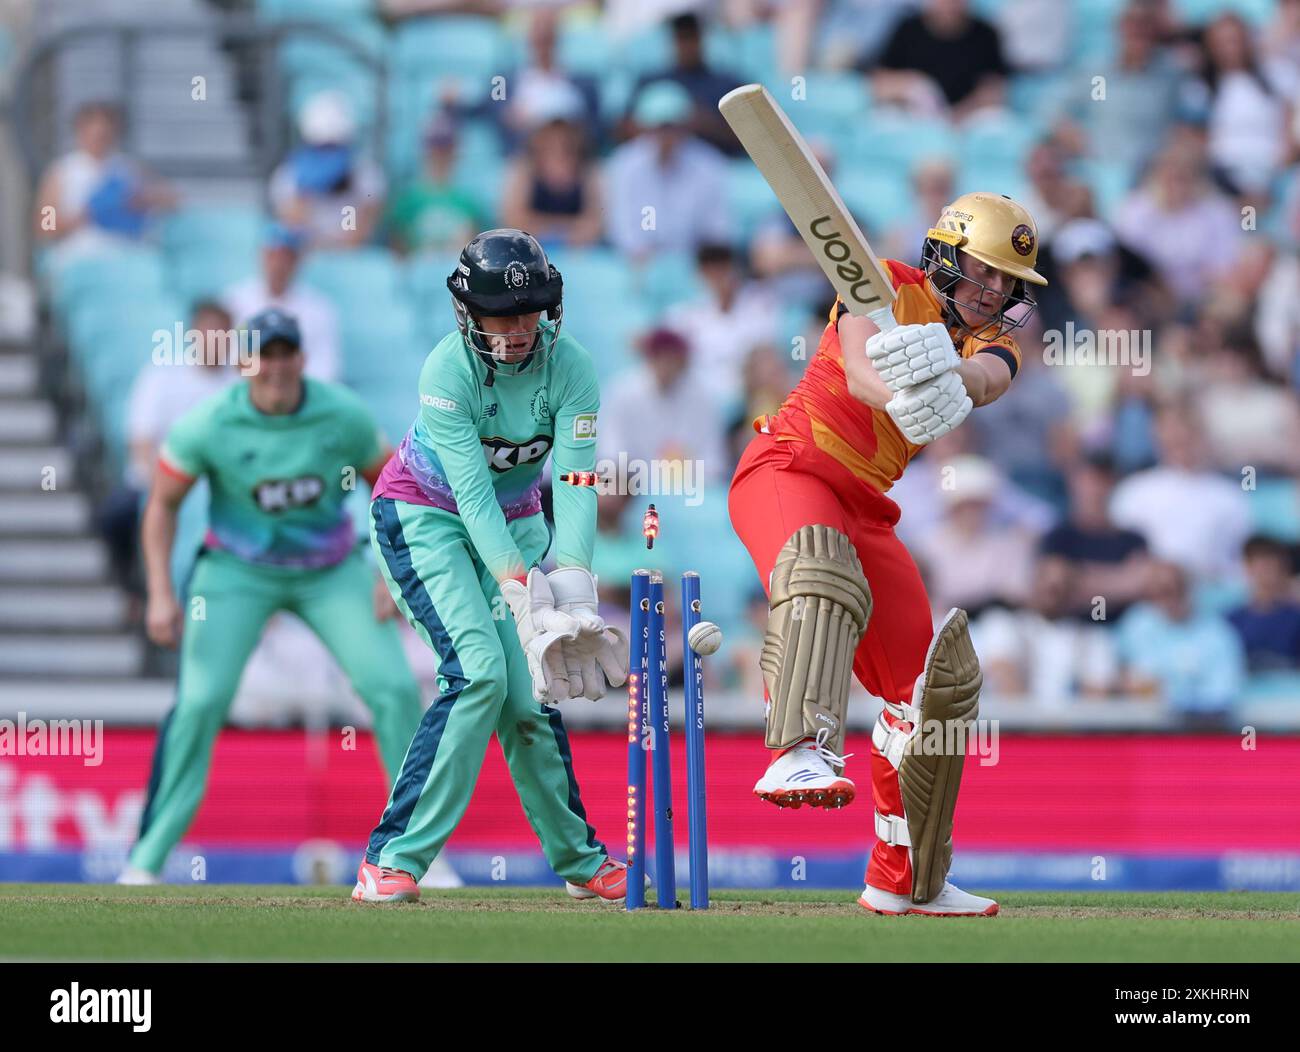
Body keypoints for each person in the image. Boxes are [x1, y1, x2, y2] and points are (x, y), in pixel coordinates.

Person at [729, 191, 1048, 916]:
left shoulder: (991, 343)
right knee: (817, 569)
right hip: (789, 468)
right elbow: (859, 366)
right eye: (982, 270)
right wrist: (902, 391)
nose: (994, 289)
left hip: (866, 505)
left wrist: (950, 379)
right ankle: (795, 750)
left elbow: (989, 379)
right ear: (946, 255)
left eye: (1007, 280)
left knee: (928, 695)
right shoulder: (883, 282)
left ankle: (906, 878)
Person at [350, 229, 630, 904]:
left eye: (528, 312)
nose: (516, 330)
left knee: (531, 691)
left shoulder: (574, 368)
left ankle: (580, 862)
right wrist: (515, 583)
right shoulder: (446, 372)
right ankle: (389, 860)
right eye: (500, 316)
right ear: (468, 313)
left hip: (521, 520)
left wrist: (574, 586)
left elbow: (575, 480)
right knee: (477, 673)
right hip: (425, 520)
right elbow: (471, 493)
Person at [117, 309, 428, 885]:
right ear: (243, 363)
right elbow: (161, 504)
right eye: (263, 352)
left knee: (390, 687)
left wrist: (392, 574)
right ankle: (146, 860)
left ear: (302, 359)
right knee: (200, 702)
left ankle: (412, 855)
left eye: (285, 352)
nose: (275, 365)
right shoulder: (207, 424)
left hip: (330, 570)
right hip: (237, 572)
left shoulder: (343, 414)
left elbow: (393, 487)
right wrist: (161, 592)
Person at [223, 224, 341, 381]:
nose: (278, 264)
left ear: (298, 261)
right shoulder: (233, 301)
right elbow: (226, 359)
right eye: (272, 255)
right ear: (261, 256)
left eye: (286, 257)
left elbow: (326, 367)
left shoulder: (319, 308)